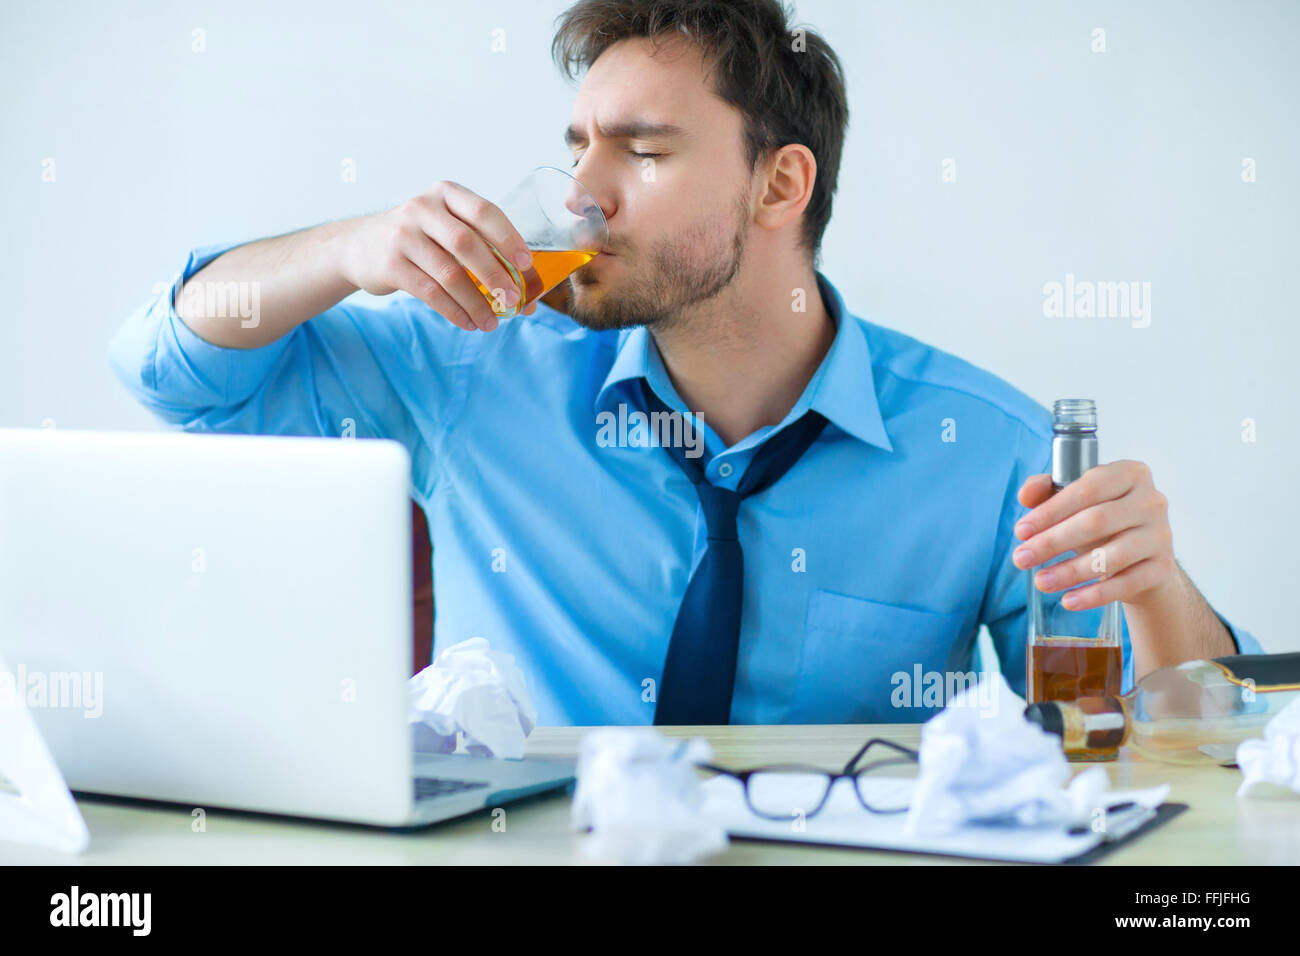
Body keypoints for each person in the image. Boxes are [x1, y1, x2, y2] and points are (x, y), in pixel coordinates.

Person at [108, 0, 1262, 726]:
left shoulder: (985, 448)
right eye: (578, 147)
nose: (580, 195)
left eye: (643, 150)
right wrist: (345, 248)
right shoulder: (478, 367)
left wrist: (1153, 585)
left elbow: (1154, 736)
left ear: (779, 185)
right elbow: (172, 371)